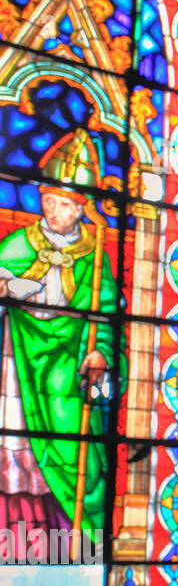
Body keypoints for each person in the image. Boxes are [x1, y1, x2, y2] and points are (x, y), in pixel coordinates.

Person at [0, 129, 115, 557]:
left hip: (69, 364)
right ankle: (20, 534)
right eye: (49, 200)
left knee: (73, 441)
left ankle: (78, 537)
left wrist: (100, 349)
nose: (54, 210)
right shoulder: (17, 243)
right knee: (19, 437)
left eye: (65, 203)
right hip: (22, 358)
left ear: (81, 207)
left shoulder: (94, 253)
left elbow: (104, 312)